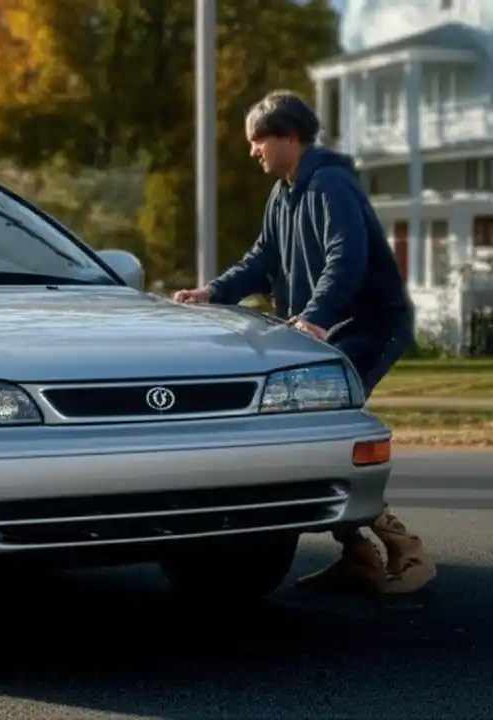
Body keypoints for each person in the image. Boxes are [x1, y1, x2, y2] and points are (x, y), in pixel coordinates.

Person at [173, 89, 437, 595]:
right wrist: (212, 292)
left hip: (368, 327)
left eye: (259, 141)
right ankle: (357, 555)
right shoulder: (285, 193)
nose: (253, 151)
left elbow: (346, 256)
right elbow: (261, 259)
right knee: (305, 439)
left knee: (324, 439)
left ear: (290, 138)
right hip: (326, 333)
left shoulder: (330, 184)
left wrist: (316, 318)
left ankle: (407, 550)